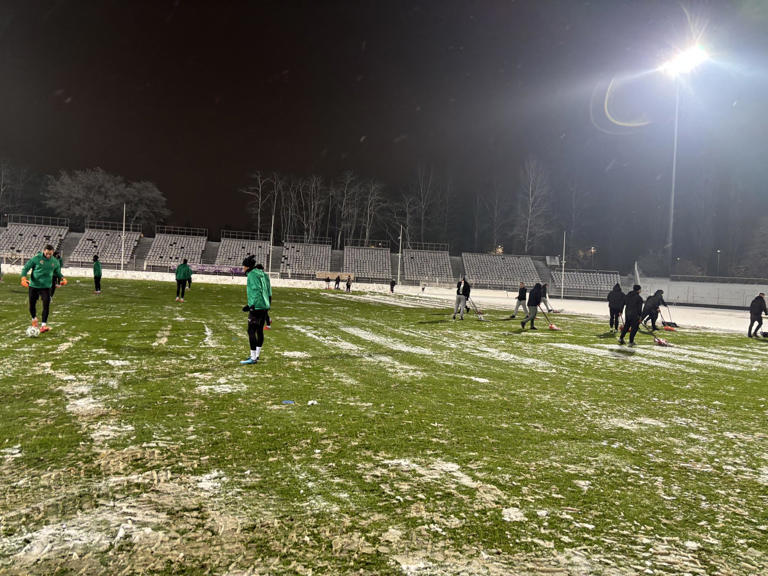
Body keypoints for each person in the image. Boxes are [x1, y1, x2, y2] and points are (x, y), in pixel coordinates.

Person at [20, 243, 66, 333]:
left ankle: (43, 326)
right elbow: (25, 268)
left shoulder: (55, 261)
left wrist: (62, 278)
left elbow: (58, 272)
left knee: (46, 305)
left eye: (50, 254)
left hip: (46, 287)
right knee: (32, 305)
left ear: (52, 252)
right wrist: (23, 278)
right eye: (47, 253)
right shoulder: (36, 258)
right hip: (34, 285)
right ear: (44, 251)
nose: (48, 255)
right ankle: (34, 319)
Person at [240, 256, 272, 365]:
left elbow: (257, 290)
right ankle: (256, 355)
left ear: (248, 267)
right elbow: (267, 290)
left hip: (257, 306)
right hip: (263, 305)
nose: (243, 268)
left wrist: (251, 305)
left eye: (244, 266)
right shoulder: (261, 274)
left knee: (251, 331)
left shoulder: (252, 275)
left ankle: (253, 358)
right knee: (259, 330)